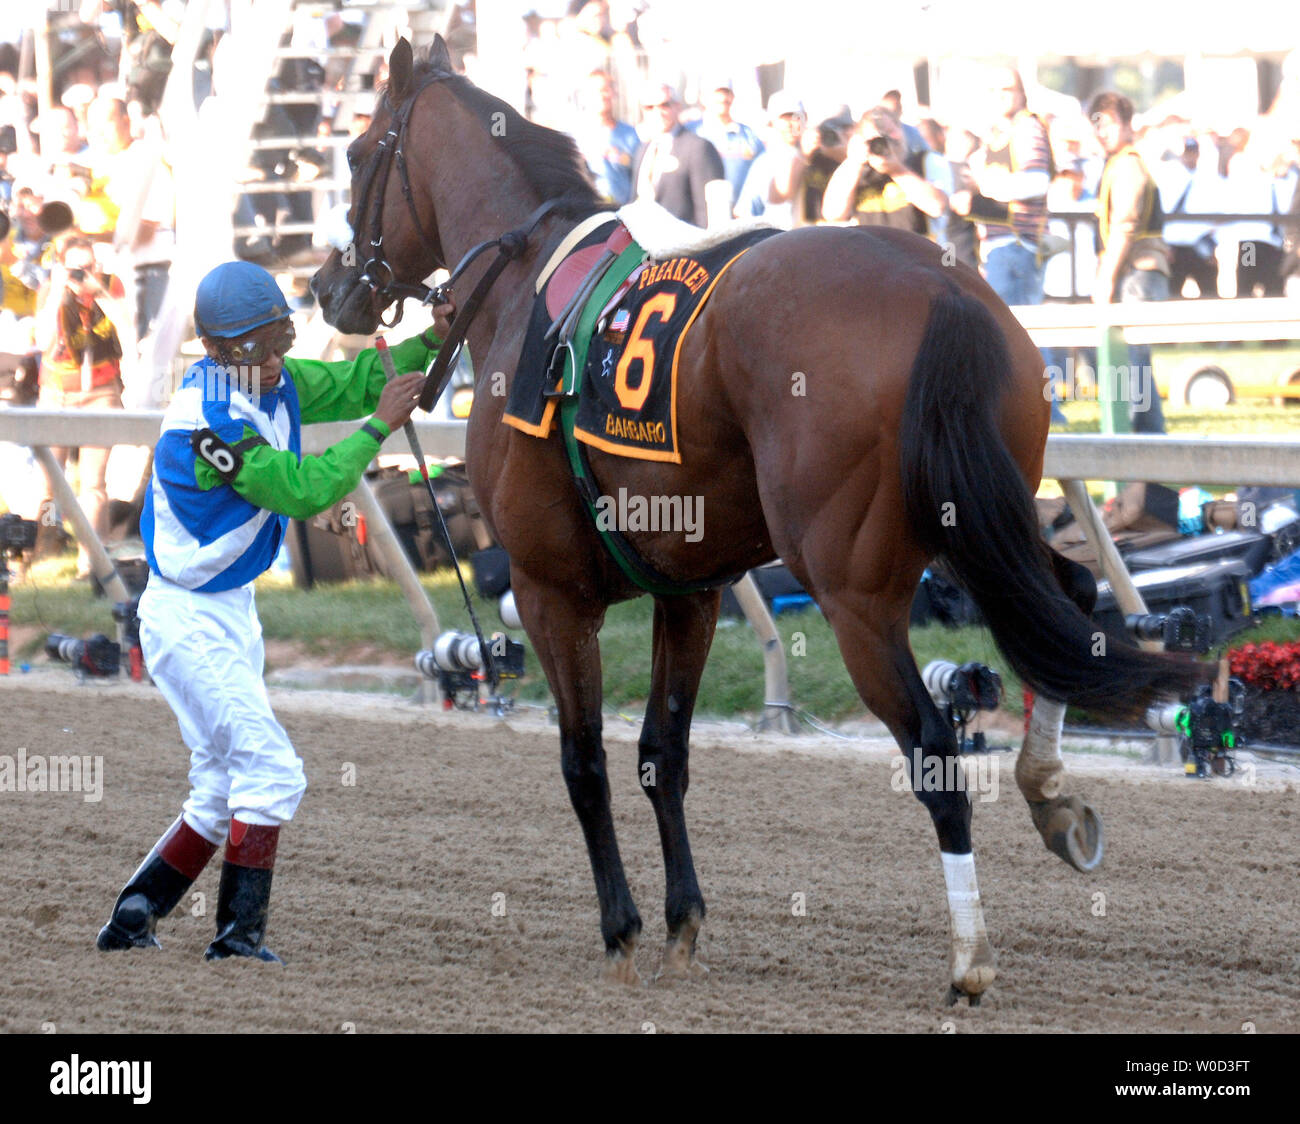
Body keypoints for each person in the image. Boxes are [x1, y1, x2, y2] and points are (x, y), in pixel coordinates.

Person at [96, 260, 455, 962]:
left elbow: (355, 382)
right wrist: (377, 431)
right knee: (271, 770)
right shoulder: (209, 423)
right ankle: (237, 939)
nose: (275, 361)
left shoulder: (275, 378)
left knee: (220, 784)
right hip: (186, 620)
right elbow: (299, 490)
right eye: (258, 349)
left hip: (231, 612)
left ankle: (132, 920)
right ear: (222, 352)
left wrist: (431, 341)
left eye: (279, 341)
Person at [35, 236, 129, 577]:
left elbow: (126, 328)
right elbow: (43, 343)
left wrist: (98, 290)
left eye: (87, 266)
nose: (80, 275)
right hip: (57, 394)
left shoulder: (108, 286)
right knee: (49, 483)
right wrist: (58, 296)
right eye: (74, 268)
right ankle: (43, 544)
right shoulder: (51, 291)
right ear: (61, 267)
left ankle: (93, 560)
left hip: (101, 392)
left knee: (93, 483)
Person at [1089, 90, 1169, 434]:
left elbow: (1125, 225)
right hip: (1134, 272)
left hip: (1138, 272)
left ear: (1126, 124)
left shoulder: (1127, 165)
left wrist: (1104, 277)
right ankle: (1148, 446)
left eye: (1108, 124)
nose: (1101, 132)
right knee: (1133, 364)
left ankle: (1144, 446)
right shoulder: (1120, 164)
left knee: (1132, 364)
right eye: (1097, 126)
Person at [948, 69, 1053, 308]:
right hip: (1001, 245)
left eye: (1007, 89)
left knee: (1015, 330)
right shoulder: (998, 134)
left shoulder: (1027, 127)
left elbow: (1036, 183)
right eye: (994, 91)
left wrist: (982, 185)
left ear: (1021, 94)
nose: (1000, 96)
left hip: (1018, 244)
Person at [820, 105, 949, 233]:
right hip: (871, 250)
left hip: (915, 251)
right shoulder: (857, 169)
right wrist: (854, 162)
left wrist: (897, 170)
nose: (885, 140)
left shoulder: (926, 161)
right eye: (875, 138)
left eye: (890, 131)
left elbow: (937, 207)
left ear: (900, 128)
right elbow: (833, 214)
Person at [631, 81, 726, 228]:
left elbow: (707, 213)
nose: (658, 112)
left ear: (677, 106)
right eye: (650, 107)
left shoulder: (698, 147)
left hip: (683, 243)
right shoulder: (643, 150)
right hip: (642, 240)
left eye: (665, 105)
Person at [735, 90, 809, 228]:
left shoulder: (818, 155)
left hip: (819, 240)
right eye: (784, 118)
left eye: (796, 117)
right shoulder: (765, 162)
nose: (790, 124)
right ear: (771, 122)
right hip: (779, 242)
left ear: (805, 118)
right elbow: (742, 212)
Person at [1158, 136, 1221, 298]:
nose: (1190, 156)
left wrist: (1213, 246)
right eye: (1188, 153)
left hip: (1200, 244)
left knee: (1210, 294)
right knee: (1170, 295)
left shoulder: (1208, 178)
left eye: (1193, 152)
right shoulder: (1169, 176)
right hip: (1175, 246)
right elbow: (1162, 212)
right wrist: (1164, 245)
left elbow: (1216, 214)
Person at [571, 69, 640, 206]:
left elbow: (639, 173)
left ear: (614, 93)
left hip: (622, 213)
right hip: (585, 213)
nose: (602, 96)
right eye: (596, 91)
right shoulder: (573, 134)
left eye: (605, 90)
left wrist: (620, 157)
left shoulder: (630, 135)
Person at [692, 77, 764, 208]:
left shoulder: (749, 136)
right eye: (716, 93)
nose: (722, 98)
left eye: (726, 93)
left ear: (732, 97)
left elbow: (761, 174)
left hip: (741, 218)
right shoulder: (691, 133)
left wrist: (746, 207)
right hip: (698, 217)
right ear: (703, 98)